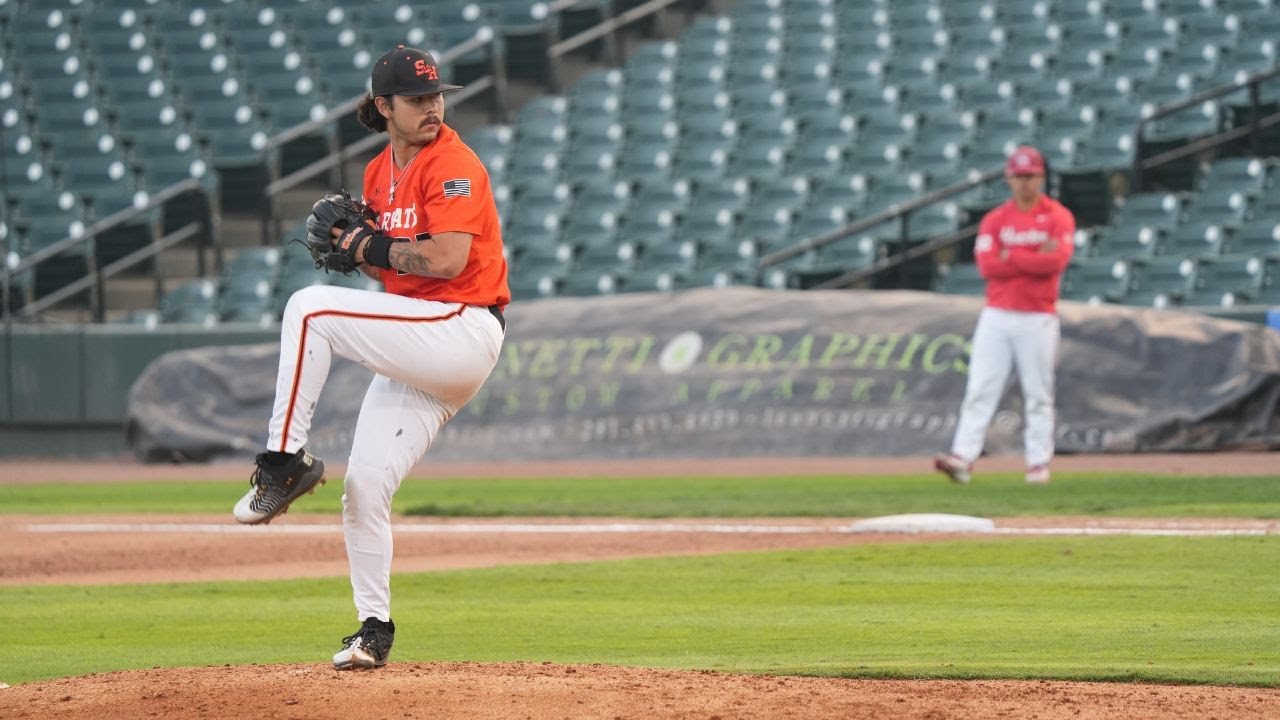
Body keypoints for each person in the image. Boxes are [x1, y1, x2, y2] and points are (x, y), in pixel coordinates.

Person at [232, 45, 509, 670]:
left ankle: (282, 464)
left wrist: (368, 246)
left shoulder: (455, 163)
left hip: (464, 328)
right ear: (384, 106)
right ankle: (373, 630)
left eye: (437, 95)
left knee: (309, 308)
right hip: (423, 347)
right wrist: (361, 246)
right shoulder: (378, 175)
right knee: (362, 486)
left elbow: (444, 262)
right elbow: (382, 259)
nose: (432, 107)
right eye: (416, 99)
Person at [935, 145, 1074, 486]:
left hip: (1038, 315)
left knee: (1039, 392)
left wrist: (1010, 255)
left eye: (1031, 176)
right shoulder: (996, 218)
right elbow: (987, 266)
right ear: (1009, 179)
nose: (1025, 183)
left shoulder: (1057, 216)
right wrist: (1029, 256)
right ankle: (963, 458)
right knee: (981, 387)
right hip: (997, 314)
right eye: (1019, 176)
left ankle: (1038, 464)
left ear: (1041, 177)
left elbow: (1054, 263)